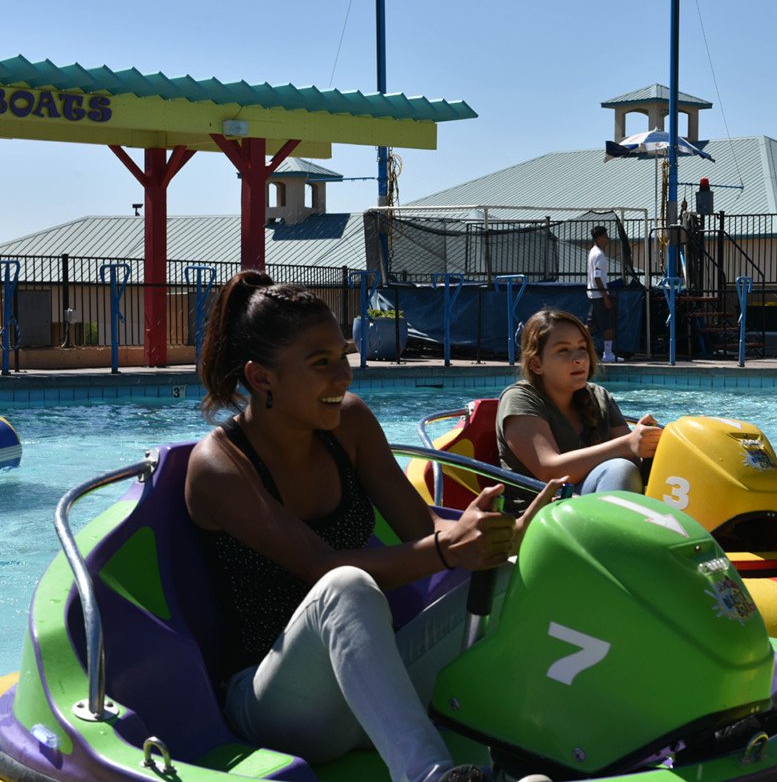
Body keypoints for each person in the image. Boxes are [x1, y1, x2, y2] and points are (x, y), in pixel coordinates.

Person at [185, 270, 561, 782]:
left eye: (343, 356)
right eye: (321, 363)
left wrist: (493, 537)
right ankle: (429, 776)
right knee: (344, 586)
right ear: (262, 378)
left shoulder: (350, 422)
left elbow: (421, 527)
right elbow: (321, 566)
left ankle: (549, 750)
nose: (343, 376)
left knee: (517, 574)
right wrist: (448, 549)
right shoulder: (219, 466)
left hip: (374, 688)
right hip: (277, 708)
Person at [496, 309, 661, 510]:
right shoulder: (519, 399)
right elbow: (549, 472)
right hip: (536, 516)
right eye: (563, 350)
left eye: (582, 348)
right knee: (620, 469)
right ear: (536, 364)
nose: (579, 358)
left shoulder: (599, 396)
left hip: (587, 508)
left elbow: (636, 462)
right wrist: (627, 445)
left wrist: (651, 445)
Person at [586, 224, 622, 362]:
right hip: (598, 295)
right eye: (606, 236)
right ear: (599, 238)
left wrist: (608, 292)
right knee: (609, 325)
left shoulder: (593, 252)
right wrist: (606, 297)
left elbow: (600, 277)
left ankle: (573, 339)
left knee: (592, 325)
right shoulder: (599, 255)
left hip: (594, 294)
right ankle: (608, 354)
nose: (608, 239)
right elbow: (597, 278)